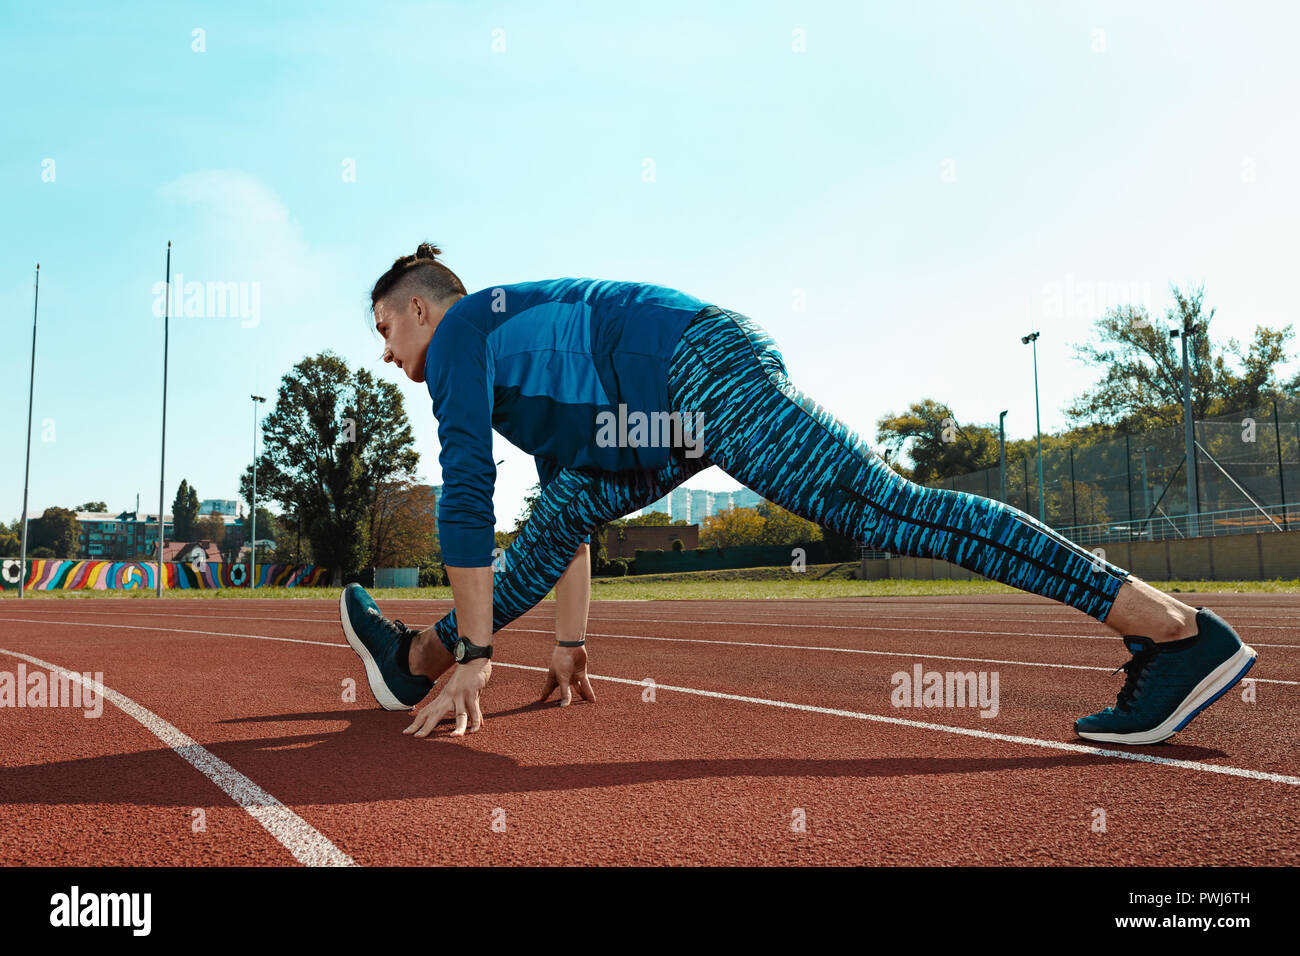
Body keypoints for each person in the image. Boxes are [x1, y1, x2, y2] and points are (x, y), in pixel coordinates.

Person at [339, 242, 1258, 746]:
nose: (387, 354)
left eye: (386, 329)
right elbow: (565, 522)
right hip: (656, 407)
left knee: (878, 508)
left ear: (424, 307)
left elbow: (463, 495)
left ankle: (1170, 627)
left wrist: (486, 654)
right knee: (559, 517)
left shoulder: (461, 336)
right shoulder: (515, 360)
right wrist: (570, 645)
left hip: (690, 370)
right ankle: (414, 652)